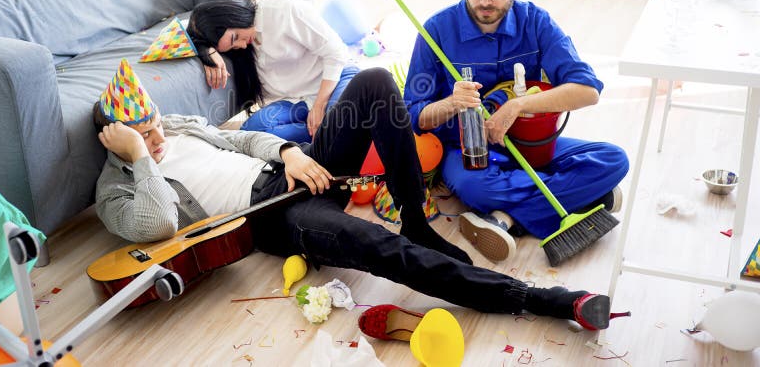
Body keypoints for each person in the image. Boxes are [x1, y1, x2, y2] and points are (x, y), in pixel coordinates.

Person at [92, 59, 624, 330]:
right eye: (143, 137)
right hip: (274, 217)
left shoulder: (179, 126)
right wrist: (140, 157)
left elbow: (244, 138)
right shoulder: (116, 189)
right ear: (115, 141)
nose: (157, 139)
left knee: (373, 80)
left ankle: (415, 218)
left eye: (155, 127)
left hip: (300, 170)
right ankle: (541, 301)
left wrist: (289, 153)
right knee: (378, 246)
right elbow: (159, 224)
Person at [404, 0, 630, 263]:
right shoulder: (435, 30)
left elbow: (587, 90)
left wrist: (518, 105)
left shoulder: (536, 23)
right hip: (469, 153)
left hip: (531, 144)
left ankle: (505, 219)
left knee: (614, 159)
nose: (485, 1)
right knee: (475, 188)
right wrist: (451, 103)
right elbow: (413, 115)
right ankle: (581, 197)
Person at [185, 0, 359, 143]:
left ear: (232, 16)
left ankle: (332, 131)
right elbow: (183, 29)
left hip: (335, 80)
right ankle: (330, 133)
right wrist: (206, 51)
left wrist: (320, 106)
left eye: (235, 37)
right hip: (297, 100)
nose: (242, 45)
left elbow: (336, 52)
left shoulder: (283, 8)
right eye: (233, 47)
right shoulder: (241, 44)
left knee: (339, 121)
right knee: (252, 132)